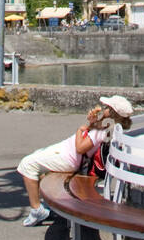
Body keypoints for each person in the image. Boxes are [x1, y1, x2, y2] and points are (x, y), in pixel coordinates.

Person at [17, 95, 134, 227]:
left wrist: (79, 130)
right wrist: (92, 122)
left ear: (113, 112)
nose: (104, 108)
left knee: (27, 164)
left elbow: (80, 148)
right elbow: (92, 140)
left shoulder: (103, 131)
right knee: (37, 157)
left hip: (69, 157)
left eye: (108, 107)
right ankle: (44, 206)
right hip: (69, 153)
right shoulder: (111, 128)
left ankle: (37, 209)